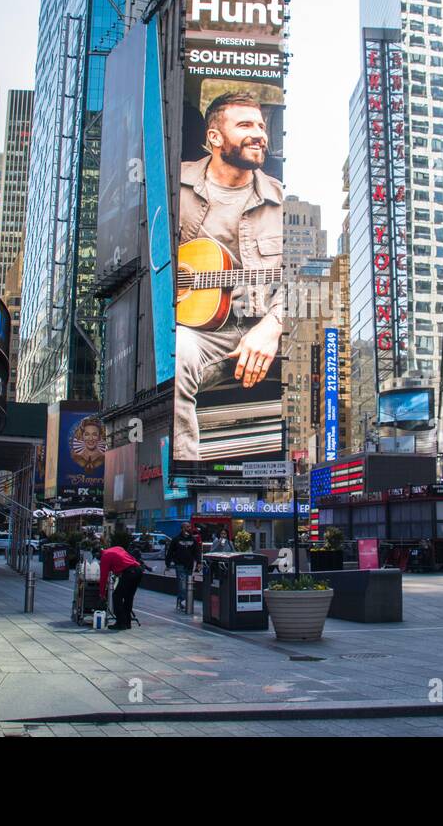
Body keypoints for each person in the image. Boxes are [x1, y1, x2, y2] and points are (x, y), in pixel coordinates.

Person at [174, 92, 284, 461]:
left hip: (265, 325)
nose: (259, 135)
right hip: (201, 331)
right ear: (215, 137)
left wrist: (273, 325)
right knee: (176, 356)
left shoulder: (281, 200)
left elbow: (306, 283)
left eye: (261, 126)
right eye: (246, 125)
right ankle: (185, 477)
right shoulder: (175, 186)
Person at [97, 545, 143, 630]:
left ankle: (121, 623)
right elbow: (123, 560)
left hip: (129, 573)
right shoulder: (117, 548)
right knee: (128, 597)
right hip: (138, 570)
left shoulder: (104, 557)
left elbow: (103, 578)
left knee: (117, 596)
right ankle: (127, 623)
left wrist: (102, 594)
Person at [166, 522, 200, 613]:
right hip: (179, 564)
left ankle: (181, 600)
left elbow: (197, 551)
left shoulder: (193, 540)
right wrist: (167, 564)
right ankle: (183, 601)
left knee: (186, 583)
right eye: (187, 527)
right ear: (182, 528)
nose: (189, 528)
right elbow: (170, 551)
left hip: (189, 565)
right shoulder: (176, 539)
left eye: (189, 527)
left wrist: (199, 562)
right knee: (182, 583)